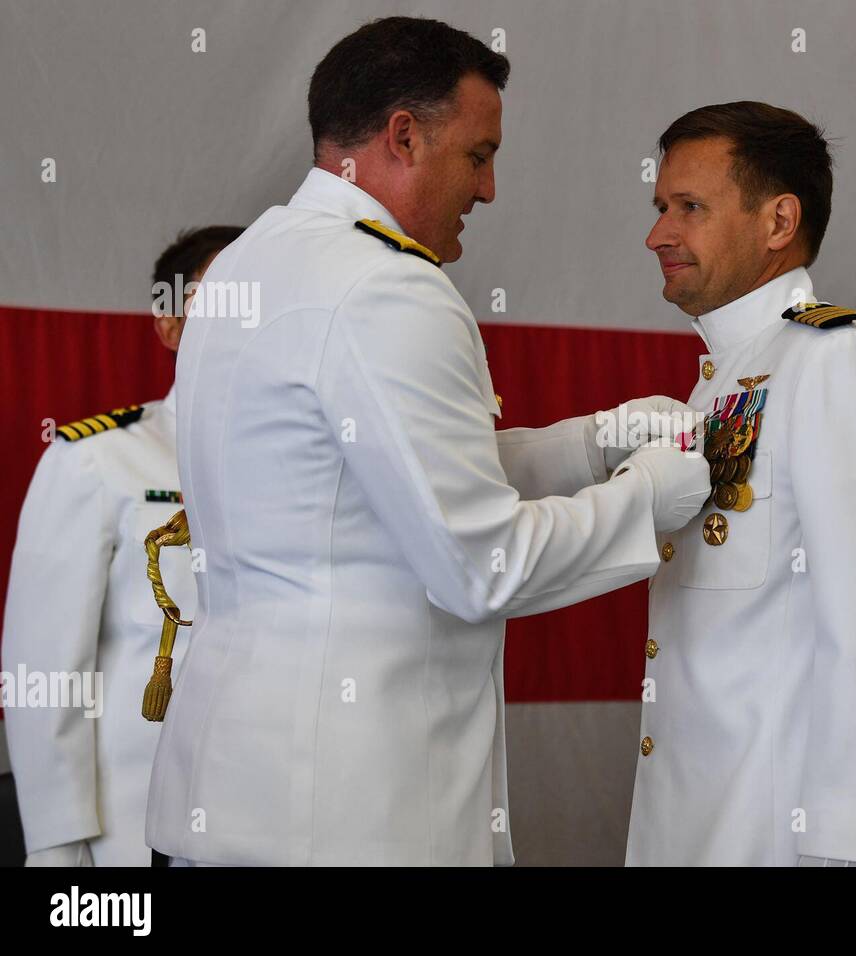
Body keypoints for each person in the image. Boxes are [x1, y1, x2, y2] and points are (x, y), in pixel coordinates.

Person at [145, 17, 710, 867]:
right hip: (351, 812)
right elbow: (478, 565)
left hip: (233, 789)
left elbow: (370, 484)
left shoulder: (252, 262)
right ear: (403, 136)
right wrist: (648, 498)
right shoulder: (386, 286)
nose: (487, 189)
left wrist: (592, 445)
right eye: (478, 155)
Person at [625, 102, 856, 866]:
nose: (659, 235)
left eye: (689, 208)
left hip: (790, 838)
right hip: (713, 824)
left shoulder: (836, 359)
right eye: (659, 208)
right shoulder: (727, 382)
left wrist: (849, 846)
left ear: (778, 222)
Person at [3, 225, 243, 866]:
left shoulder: (319, 466)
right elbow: (45, 670)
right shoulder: (98, 460)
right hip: (133, 835)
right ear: (169, 324)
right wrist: (58, 851)